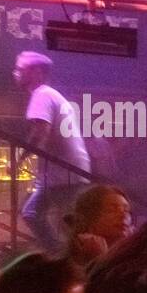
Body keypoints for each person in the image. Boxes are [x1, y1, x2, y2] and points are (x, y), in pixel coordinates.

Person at [13, 51, 92, 250]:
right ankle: (58, 252)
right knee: (32, 212)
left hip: (65, 173)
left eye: (22, 69)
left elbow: (41, 131)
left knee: (69, 226)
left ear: (37, 72)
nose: (16, 73)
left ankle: (73, 257)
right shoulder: (50, 94)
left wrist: (18, 159)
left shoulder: (42, 94)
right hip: (61, 173)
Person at [64, 184, 132, 268]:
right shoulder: (68, 267)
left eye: (126, 210)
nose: (123, 215)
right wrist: (98, 260)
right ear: (89, 219)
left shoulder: (134, 259)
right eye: (111, 210)